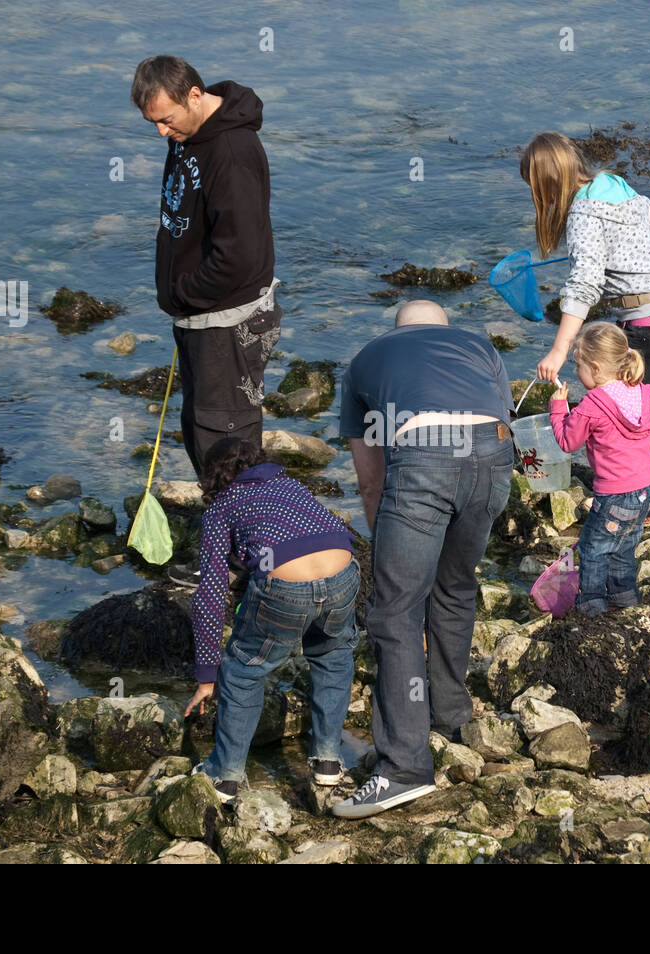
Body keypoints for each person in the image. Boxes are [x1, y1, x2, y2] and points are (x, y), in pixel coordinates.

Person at [331, 300, 515, 819]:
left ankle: (405, 769)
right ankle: (452, 717)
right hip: (496, 453)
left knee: (393, 611)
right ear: (444, 329)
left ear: (397, 330)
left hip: (426, 452)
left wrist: (385, 541)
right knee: (455, 586)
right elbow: (501, 416)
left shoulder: (366, 358)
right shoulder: (480, 347)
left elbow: (371, 479)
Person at [521, 131, 650, 527]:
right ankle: (645, 505)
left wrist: (559, 350)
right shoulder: (611, 184)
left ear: (547, 182)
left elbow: (585, 283)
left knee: (628, 411)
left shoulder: (583, 212)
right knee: (634, 405)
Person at [131, 55, 281, 586]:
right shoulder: (186, 138)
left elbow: (237, 256)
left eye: (167, 119)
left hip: (226, 321)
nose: (161, 132)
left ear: (195, 95)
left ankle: (249, 558)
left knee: (228, 440)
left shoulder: (232, 151)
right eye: (152, 123)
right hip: (199, 319)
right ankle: (236, 539)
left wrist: (184, 293)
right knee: (200, 431)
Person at [182, 438, 359, 803]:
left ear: (212, 480)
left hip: (285, 585)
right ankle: (328, 765)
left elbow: (210, 594)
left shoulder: (222, 508)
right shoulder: (289, 483)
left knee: (244, 670)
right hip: (343, 569)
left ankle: (225, 778)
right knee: (333, 656)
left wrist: (206, 675)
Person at [551, 323, 650, 615]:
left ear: (595, 368)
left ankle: (592, 606)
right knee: (623, 548)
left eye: (578, 365)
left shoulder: (591, 404)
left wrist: (558, 410)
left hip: (614, 494)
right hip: (646, 490)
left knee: (593, 549)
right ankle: (625, 599)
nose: (577, 372)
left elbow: (568, 442)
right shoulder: (642, 392)